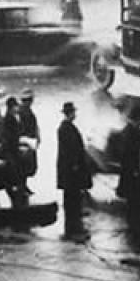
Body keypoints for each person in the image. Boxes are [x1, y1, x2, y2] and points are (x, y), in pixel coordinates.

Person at [56, 100, 93, 240]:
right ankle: (73, 229)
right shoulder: (66, 128)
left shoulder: (66, 127)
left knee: (72, 199)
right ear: (70, 113)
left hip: (69, 171)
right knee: (72, 200)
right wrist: (76, 165)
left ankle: (73, 228)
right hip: (71, 171)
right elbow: (71, 151)